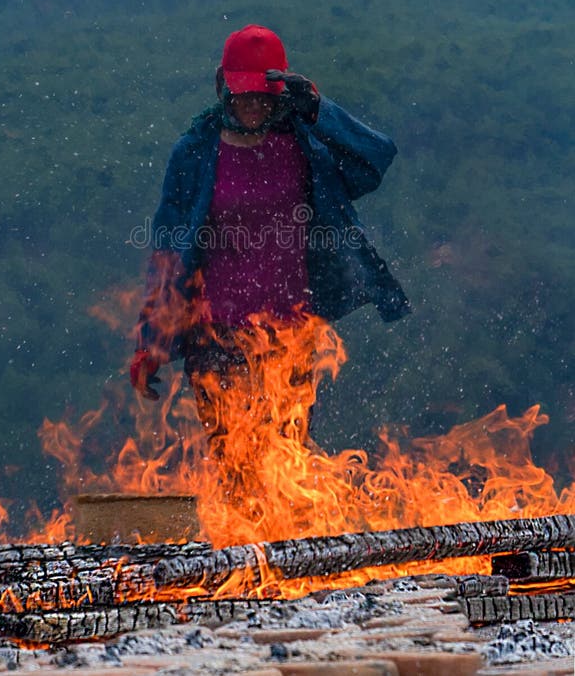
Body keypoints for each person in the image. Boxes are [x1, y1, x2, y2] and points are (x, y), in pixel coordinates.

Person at [129, 24, 409, 444]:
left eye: (263, 92)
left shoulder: (306, 144)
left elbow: (375, 160)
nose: (253, 103)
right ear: (222, 85)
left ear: (281, 88)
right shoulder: (195, 153)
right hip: (215, 339)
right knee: (237, 471)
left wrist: (318, 108)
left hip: (290, 335)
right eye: (243, 92)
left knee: (286, 462)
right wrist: (150, 340)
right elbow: (169, 251)